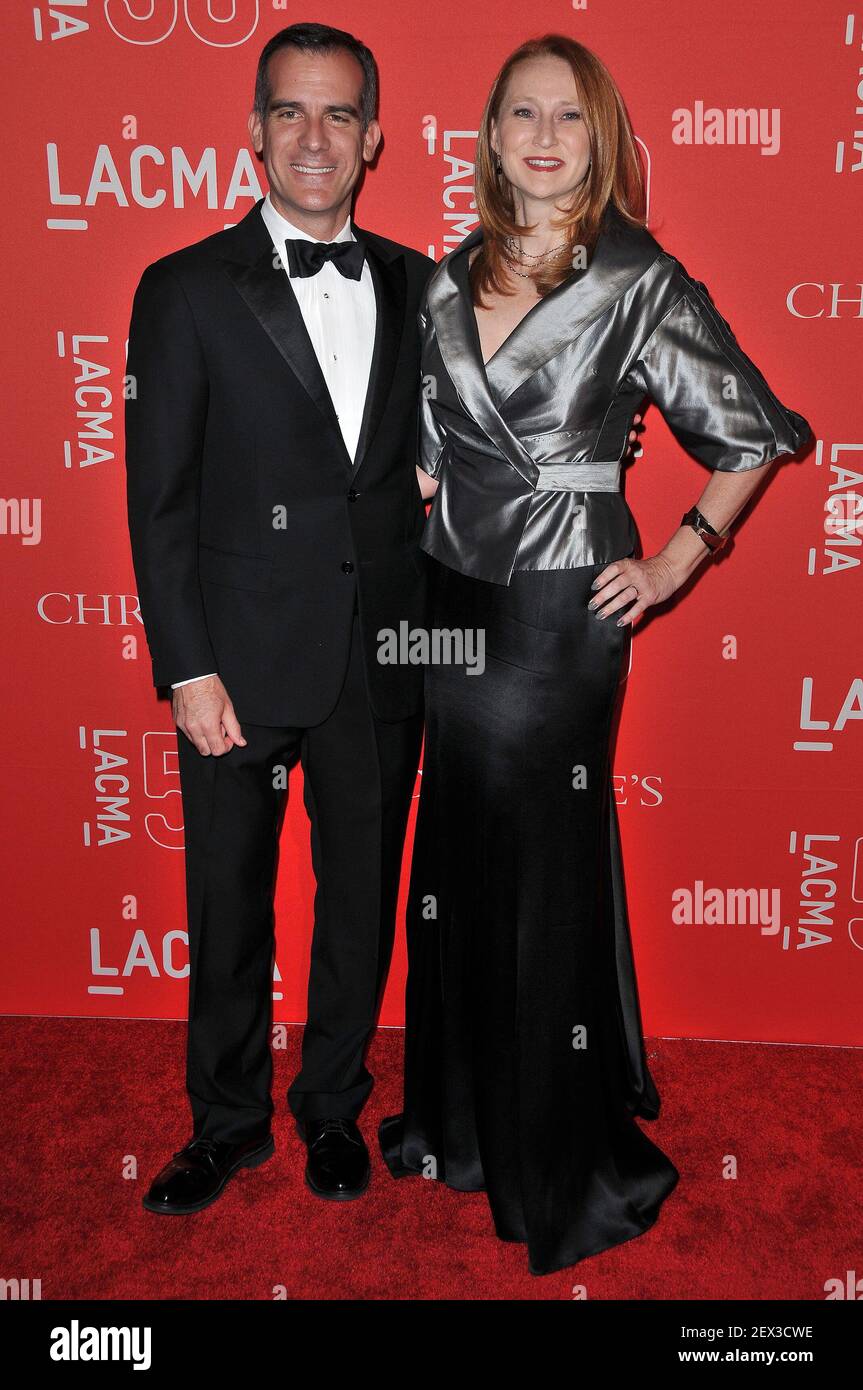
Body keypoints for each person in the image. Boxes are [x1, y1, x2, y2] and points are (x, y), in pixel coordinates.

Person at [379, 32, 812, 1276]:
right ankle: (463, 1127)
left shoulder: (635, 274)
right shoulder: (449, 275)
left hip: (565, 602)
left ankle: (555, 1154)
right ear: (491, 135)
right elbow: (422, 428)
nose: (543, 136)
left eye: (569, 117)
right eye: (521, 112)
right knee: (455, 846)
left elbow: (748, 428)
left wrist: (680, 556)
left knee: (541, 861)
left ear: (601, 138)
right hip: (449, 590)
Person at [125, 23, 436, 1213]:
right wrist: (186, 668)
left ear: (372, 140)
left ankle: (330, 1111)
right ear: (255, 132)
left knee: (359, 897)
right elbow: (158, 501)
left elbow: (485, 429)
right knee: (227, 897)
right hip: (239, 661)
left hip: (382, 654)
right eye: (292, 113)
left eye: (340, 115)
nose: (316, 138)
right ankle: (226, 1124)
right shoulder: (185, 288)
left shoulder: (422, 284)